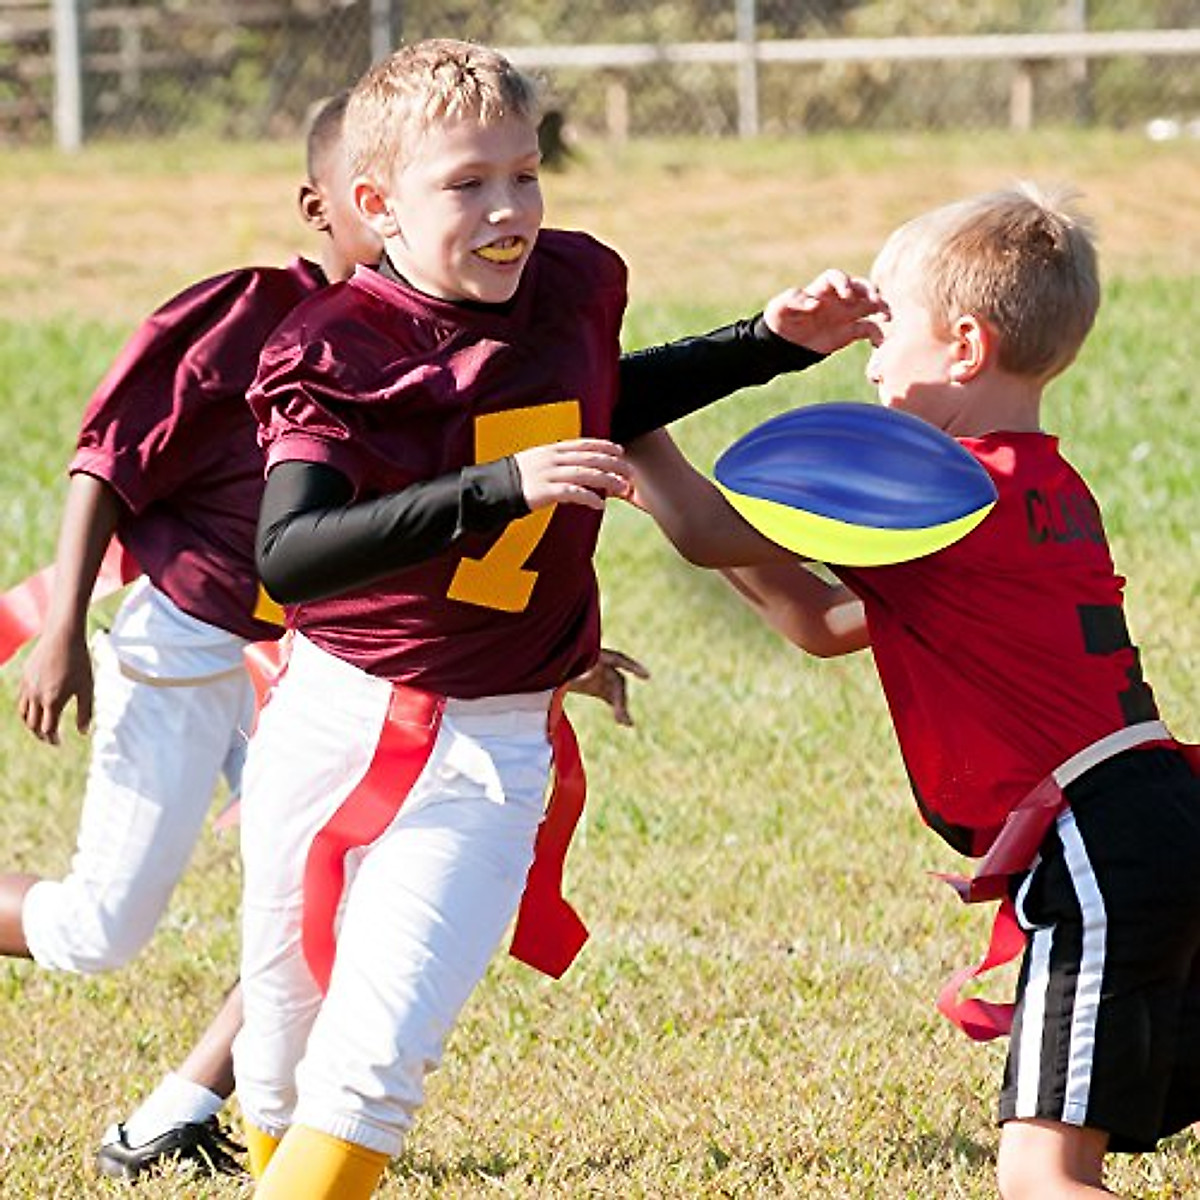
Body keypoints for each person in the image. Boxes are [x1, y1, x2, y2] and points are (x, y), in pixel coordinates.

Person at [234, 37, 882, 1198]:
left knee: (376, 1054)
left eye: (525, 173)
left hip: (492, 738)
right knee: (280, 1042)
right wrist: (500, 491)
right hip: (329, 715)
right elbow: (291, 554)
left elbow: (600, 393)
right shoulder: (333, 346)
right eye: (467, 183)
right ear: (374, 205)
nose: (509, 208)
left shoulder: (574, 282)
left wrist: (766, 345)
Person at [627, 184, 1200, 1198]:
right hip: (1158, 819)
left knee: (1043, 1178)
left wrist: (639, 432)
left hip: (1099, 843)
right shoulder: (1044, 484)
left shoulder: (948, 490)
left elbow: (712, 535)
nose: (870, 354)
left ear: (966, 349)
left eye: (886, 328)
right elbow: (820, 621)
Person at [0, 89, 383, 1180]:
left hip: (304, 659)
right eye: (377, 190)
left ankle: (177, 1107)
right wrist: (62, 625)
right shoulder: (248, 312)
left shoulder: (431, 338)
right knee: (98, 933)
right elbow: (107, 457)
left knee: (345, 883)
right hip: (184, 639)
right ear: (323, 206)